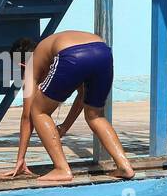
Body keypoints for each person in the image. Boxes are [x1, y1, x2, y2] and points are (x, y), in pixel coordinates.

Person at [8, 30, 134, 182]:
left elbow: (27, 116)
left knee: (38, 110)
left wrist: (20, 159)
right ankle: (124, 166)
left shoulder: (32, 63)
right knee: (95, 115)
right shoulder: (52, 49)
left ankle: (61, 169)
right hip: (102, 52)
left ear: (22, 65)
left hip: (72, 55)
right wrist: (65, 126)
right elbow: (82, 95)